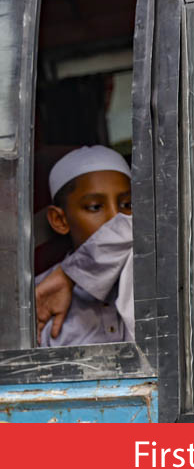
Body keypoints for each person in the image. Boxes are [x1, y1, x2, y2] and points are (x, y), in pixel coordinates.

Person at [34, 145, 133, 347]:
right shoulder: (39, 298)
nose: (116, 219)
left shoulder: (157, 278)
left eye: (127, 205)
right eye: (95, 207)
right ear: (59, 220)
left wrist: (71, 274)